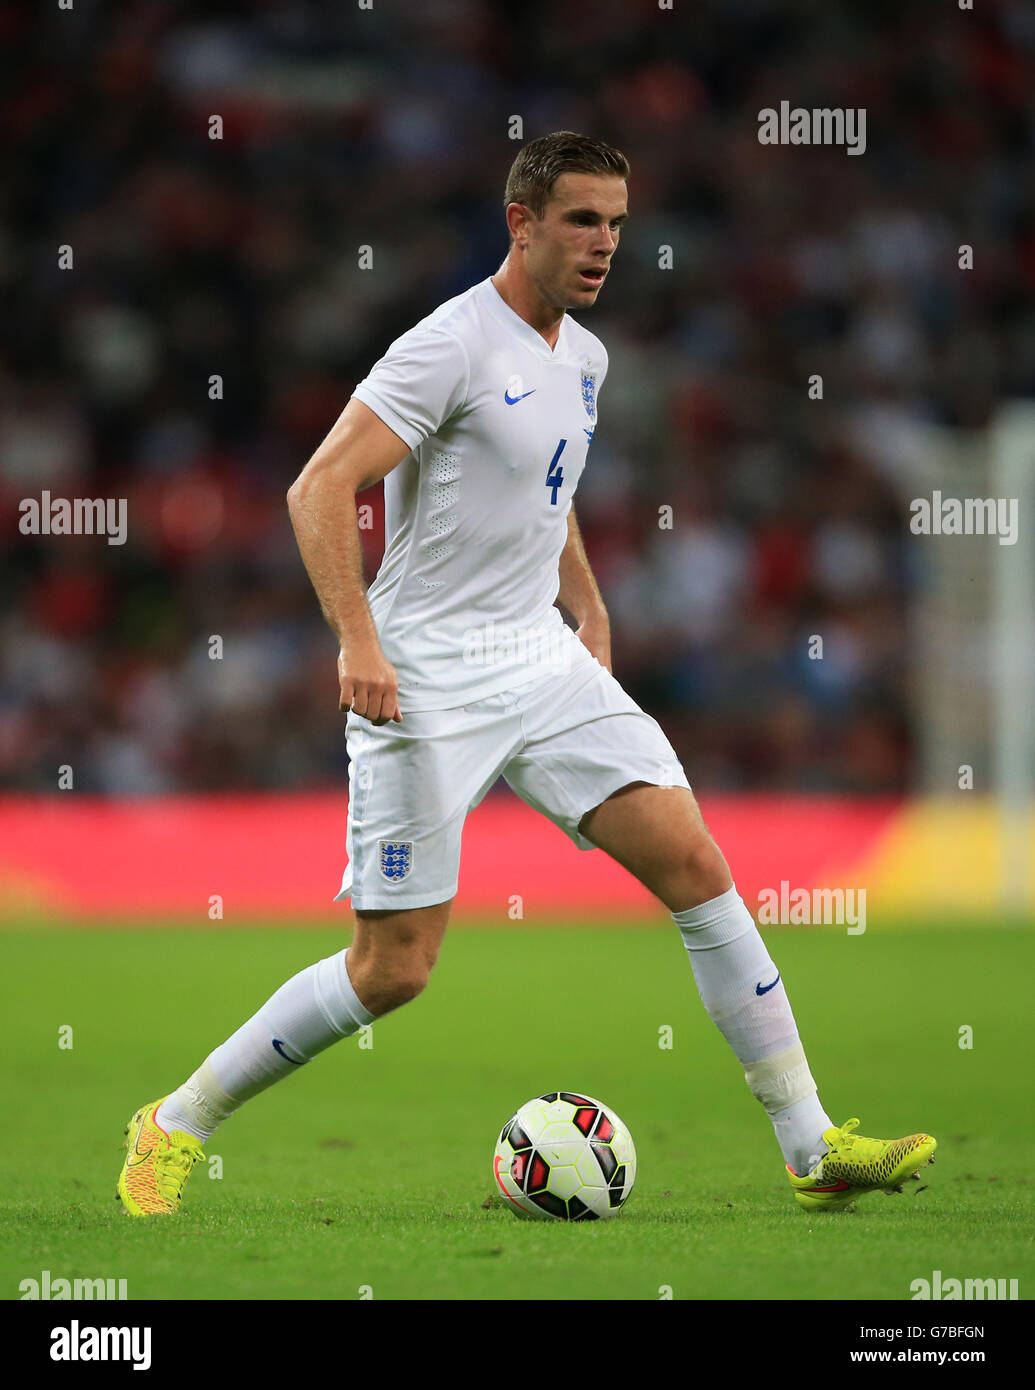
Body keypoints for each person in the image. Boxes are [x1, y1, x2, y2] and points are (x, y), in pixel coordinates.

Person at [117, 131, 935, 1218]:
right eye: (583, 220)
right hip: (425, 674)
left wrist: (587, 598)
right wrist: (357, 638)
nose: (604, 244)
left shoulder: (584, 358)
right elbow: (318, 489)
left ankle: (810, 1143)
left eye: (617, 224)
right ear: (523, 221)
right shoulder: (447, 347)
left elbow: (541, 494)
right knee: (395, 968)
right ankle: (174, 1122)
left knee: (695, 861)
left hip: (541, 657)